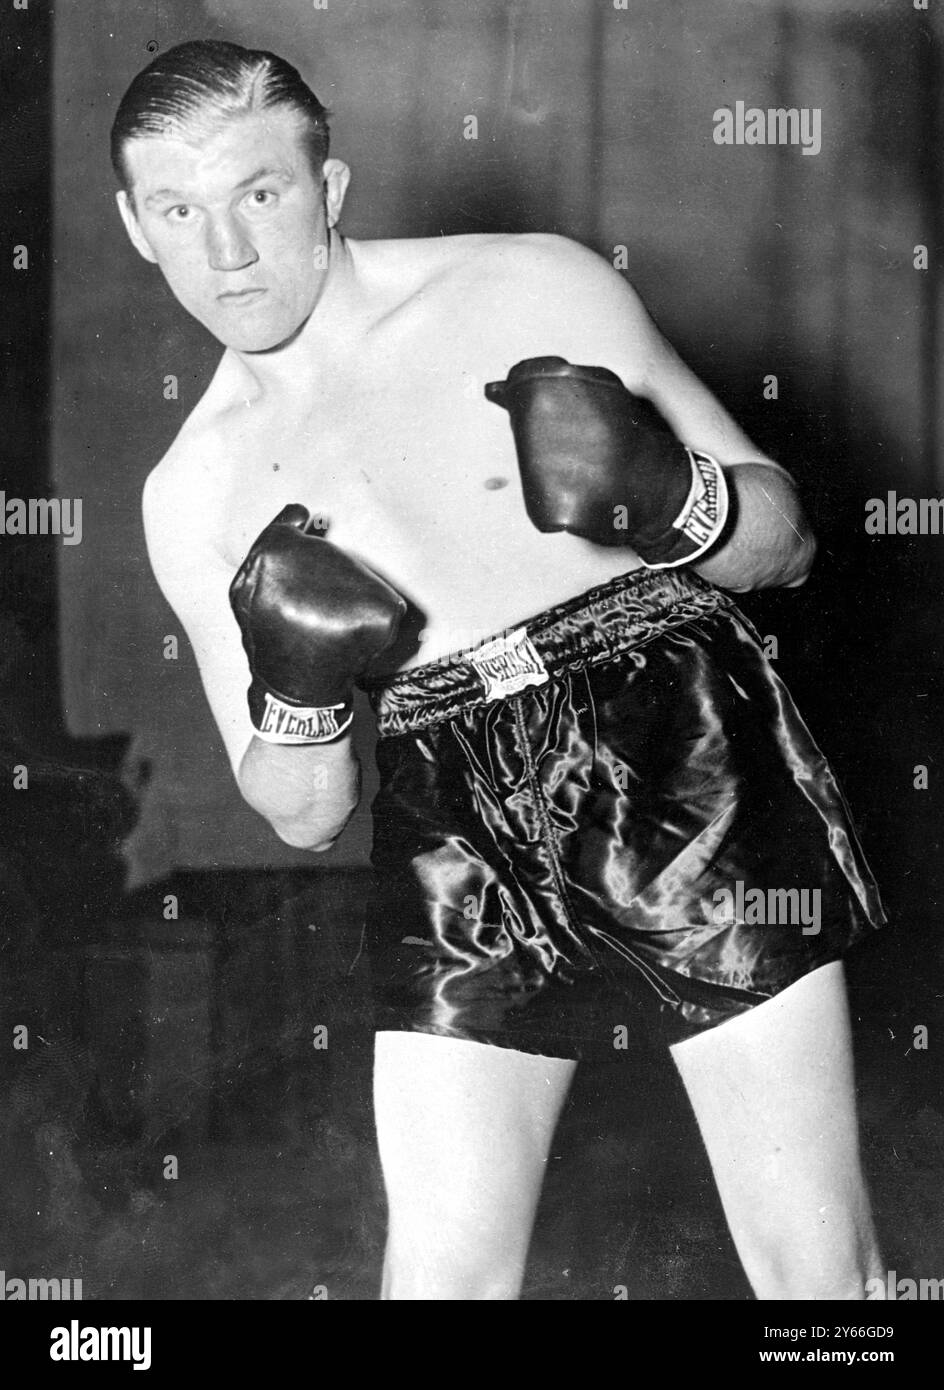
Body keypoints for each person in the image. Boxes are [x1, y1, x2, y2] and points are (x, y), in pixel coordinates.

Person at [114, 38, 887, 1300]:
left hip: (670, 741)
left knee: (811, 1268)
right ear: (136, 228)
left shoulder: (529, 286)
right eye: (180, 210)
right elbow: (302, 811)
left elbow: (785, 546)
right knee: (437, 1281)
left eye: (259, 193)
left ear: (331, 186)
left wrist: (670, 504)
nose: (229, 253)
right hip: (445, 802)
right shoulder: (191, 490)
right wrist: (304, 686)